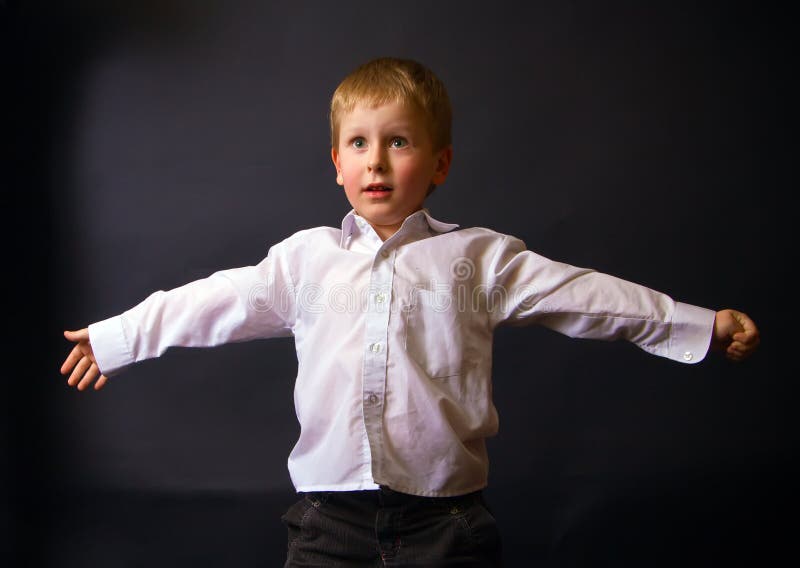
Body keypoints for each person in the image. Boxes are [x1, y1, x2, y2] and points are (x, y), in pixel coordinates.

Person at [60, 57, 760, 567]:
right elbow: (210, 301)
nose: (379, 162)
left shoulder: (480, 260)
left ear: (440, 162)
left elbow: (588, 296)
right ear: (336, 162)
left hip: (447, 525)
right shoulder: (304, 261)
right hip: (327, 523)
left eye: (400, 142)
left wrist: (698, 322)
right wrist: (118, 337)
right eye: (360, 144)